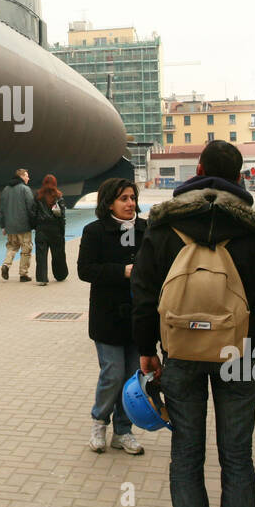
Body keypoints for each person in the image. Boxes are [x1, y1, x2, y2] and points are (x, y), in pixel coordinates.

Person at [132, 141, 255, 507]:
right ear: (240, 177)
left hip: (180, 351)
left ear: (199, 169)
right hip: (236, 353)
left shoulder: (163, 224)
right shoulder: (254, 228)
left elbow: (142, 292)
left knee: (186, 458)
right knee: (237, 459)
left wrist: (145, 350)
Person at [77, 177, 148, 455]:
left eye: (132, 198)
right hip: (107, 316)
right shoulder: (95, 231)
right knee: (113, 374)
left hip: (138, 316)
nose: (130, 203)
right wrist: (123, 272)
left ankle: (123, 431)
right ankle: (99, 422)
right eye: (124, 199)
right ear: (109, 203)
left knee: (133, 377)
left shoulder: (145, 229)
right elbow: (85, 270)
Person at [30, 173, 69, 285]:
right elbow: (62, 215)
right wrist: (62, 230)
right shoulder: (58, 196)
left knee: (41, 254)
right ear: (55, 183)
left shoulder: (38, 196)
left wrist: (35, 226)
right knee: (58, 253)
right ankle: (60, 275)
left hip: (41, 229)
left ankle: (42, 278)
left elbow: (33, 213)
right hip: (55, 229)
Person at [0, 168, 35, 282]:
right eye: (27, 176)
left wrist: (3, 226)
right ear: (22, 177)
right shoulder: (25, 189)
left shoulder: (6, 189)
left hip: (10, 226)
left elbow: (2, 209)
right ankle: (23, 274)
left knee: (12, 247)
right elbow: (31, 208)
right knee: (26, 250)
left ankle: (6, 264)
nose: (28, 178)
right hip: (23, 226)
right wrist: (34, 223)